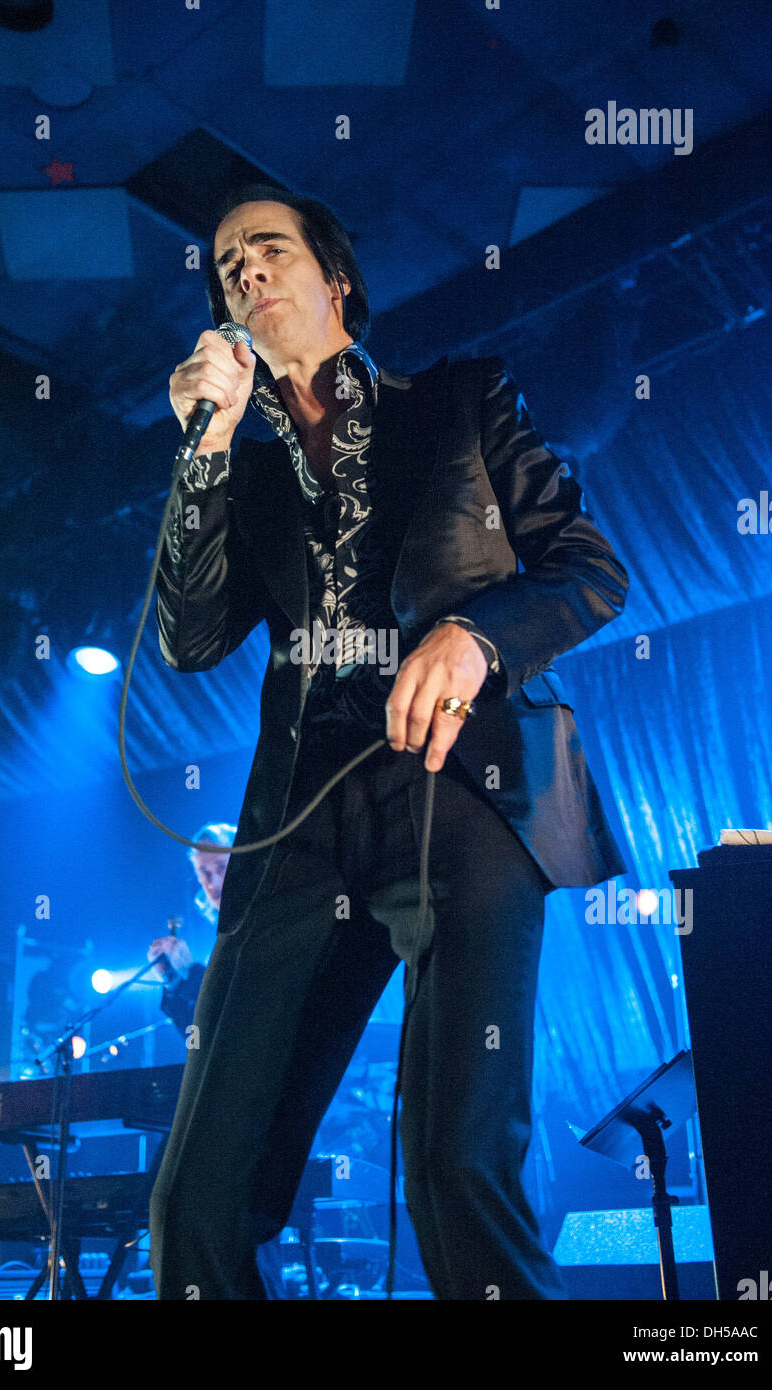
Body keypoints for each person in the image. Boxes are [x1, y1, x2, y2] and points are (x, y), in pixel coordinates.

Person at [148, 184, 630, 1300]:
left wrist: (473, 638)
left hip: (463, 789)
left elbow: (590, 567)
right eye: (225, 268)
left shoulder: (460, 400)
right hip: (304, 818)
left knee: (453, 1163)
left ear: (338, 280)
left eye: (267, 249)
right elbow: (189, 637)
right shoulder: (243, 468)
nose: (245, 273)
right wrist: (204, 455)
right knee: (199, 1191)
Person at [146, 822, 235, 1035]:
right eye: (204, 873)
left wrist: (190, 971)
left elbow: (239, 1009)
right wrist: (174, 980)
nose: (213, 883)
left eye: (221, 868)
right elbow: (198, 1038)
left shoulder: (266, 923)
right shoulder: (221, 934)